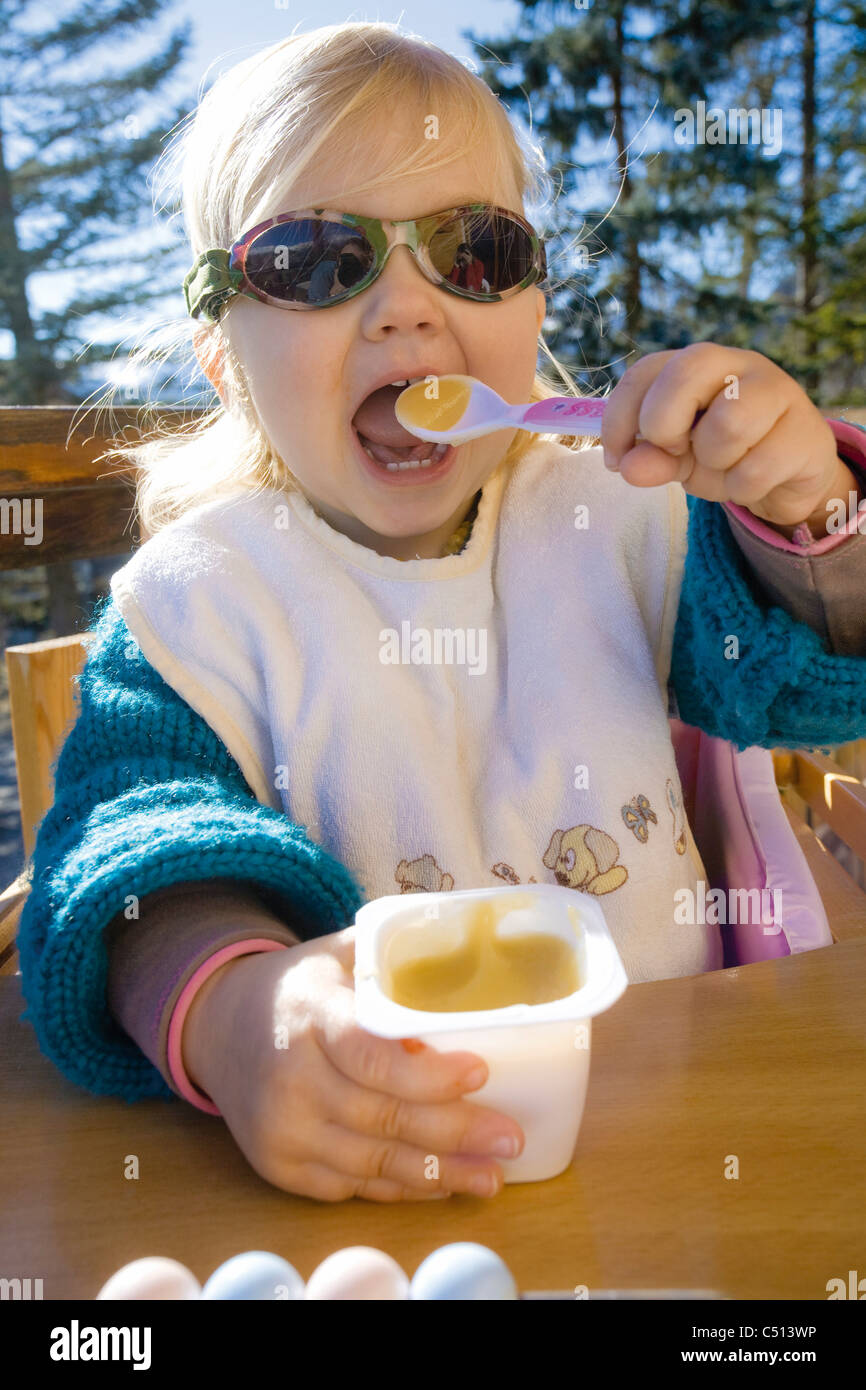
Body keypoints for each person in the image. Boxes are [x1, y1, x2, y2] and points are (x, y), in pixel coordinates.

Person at [16, 23, 866, 1205]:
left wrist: (806, 513)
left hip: (670, 1125)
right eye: (314, 262)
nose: (405, 313)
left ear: (529, 311)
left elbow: (796, 679)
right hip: (383, 1154)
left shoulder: (615, 521)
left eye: (472, 252)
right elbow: (129, 862)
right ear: (221, 353)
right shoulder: (200, 608)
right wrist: (234, 1011)